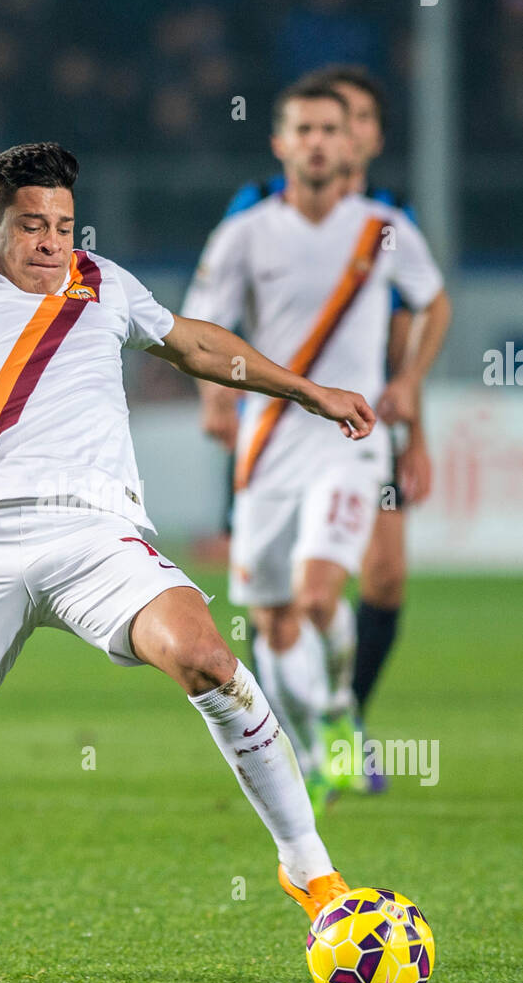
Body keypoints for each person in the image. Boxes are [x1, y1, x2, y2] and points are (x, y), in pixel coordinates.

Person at [0, 51, 376, 975]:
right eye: (31, 227)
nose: (53, 242)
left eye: (63, 225)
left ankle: (315, 879)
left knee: (209, 657)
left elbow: (194, 343)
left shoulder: (105, 284)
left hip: (98, 536)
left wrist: (303, 390)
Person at [184, 79, 449, 811]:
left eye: (331, 129)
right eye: (303, 129)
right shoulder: (247, 231)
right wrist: (214, 401)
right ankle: (307, 744)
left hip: (349, 438)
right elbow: (202, 327)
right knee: (270, 616)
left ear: (350, 143)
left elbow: (432, 303)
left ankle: (336, 710)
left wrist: (408, 381)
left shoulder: (382, 227)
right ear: (280, 143)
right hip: (266, 443)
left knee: (316, 593)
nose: (318, 142)